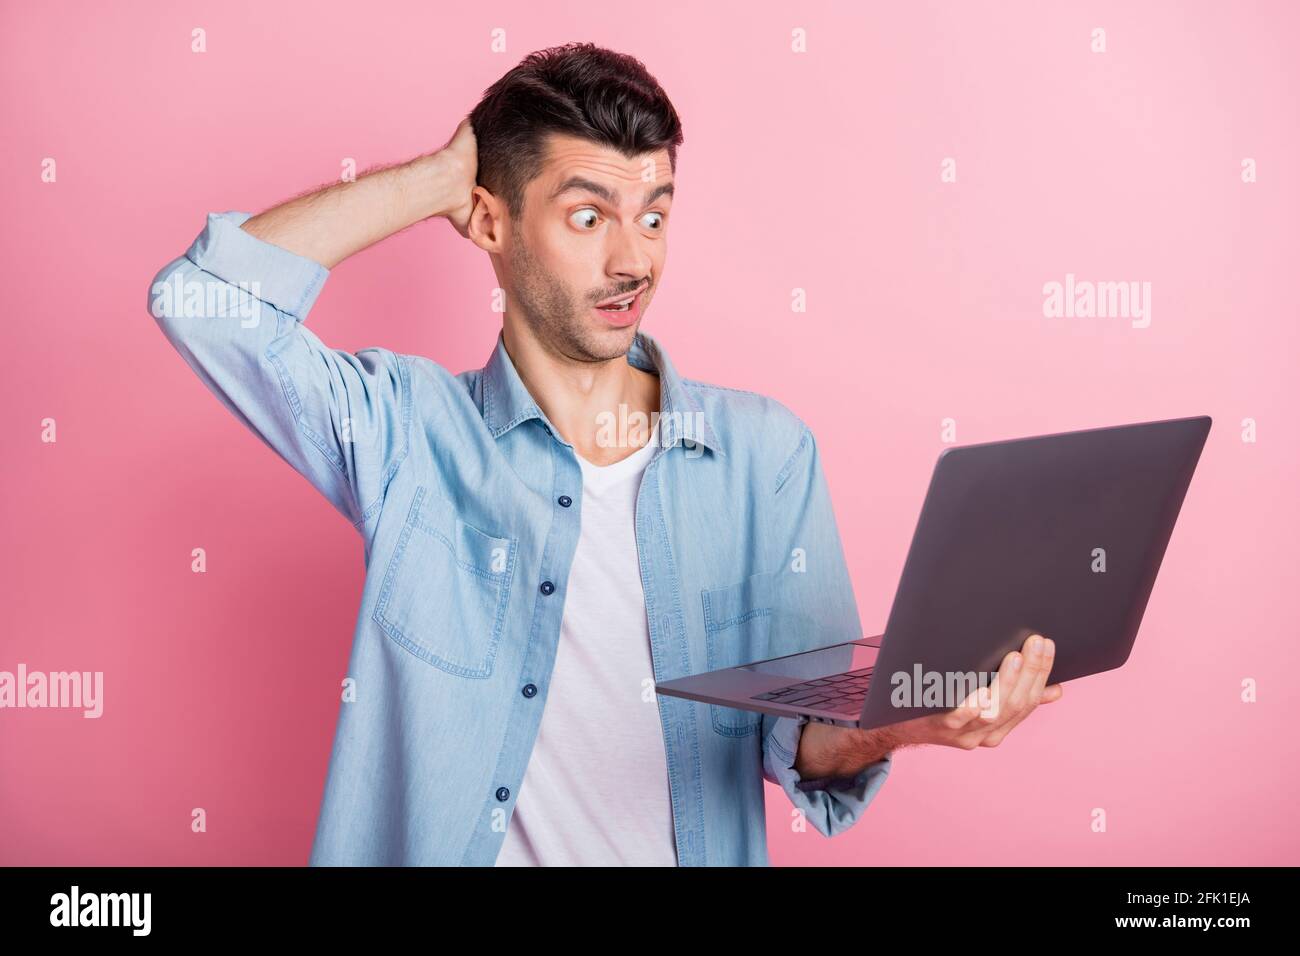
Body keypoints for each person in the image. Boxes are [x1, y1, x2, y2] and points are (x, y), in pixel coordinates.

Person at [147, 42, 1061, 866]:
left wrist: (903, 724)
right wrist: (432, 182)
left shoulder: (763, 454)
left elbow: (804, 741)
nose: (634, 260)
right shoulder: (406, 432)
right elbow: (202, 303)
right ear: (491, 224)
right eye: (590, 219)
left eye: (654, 216)